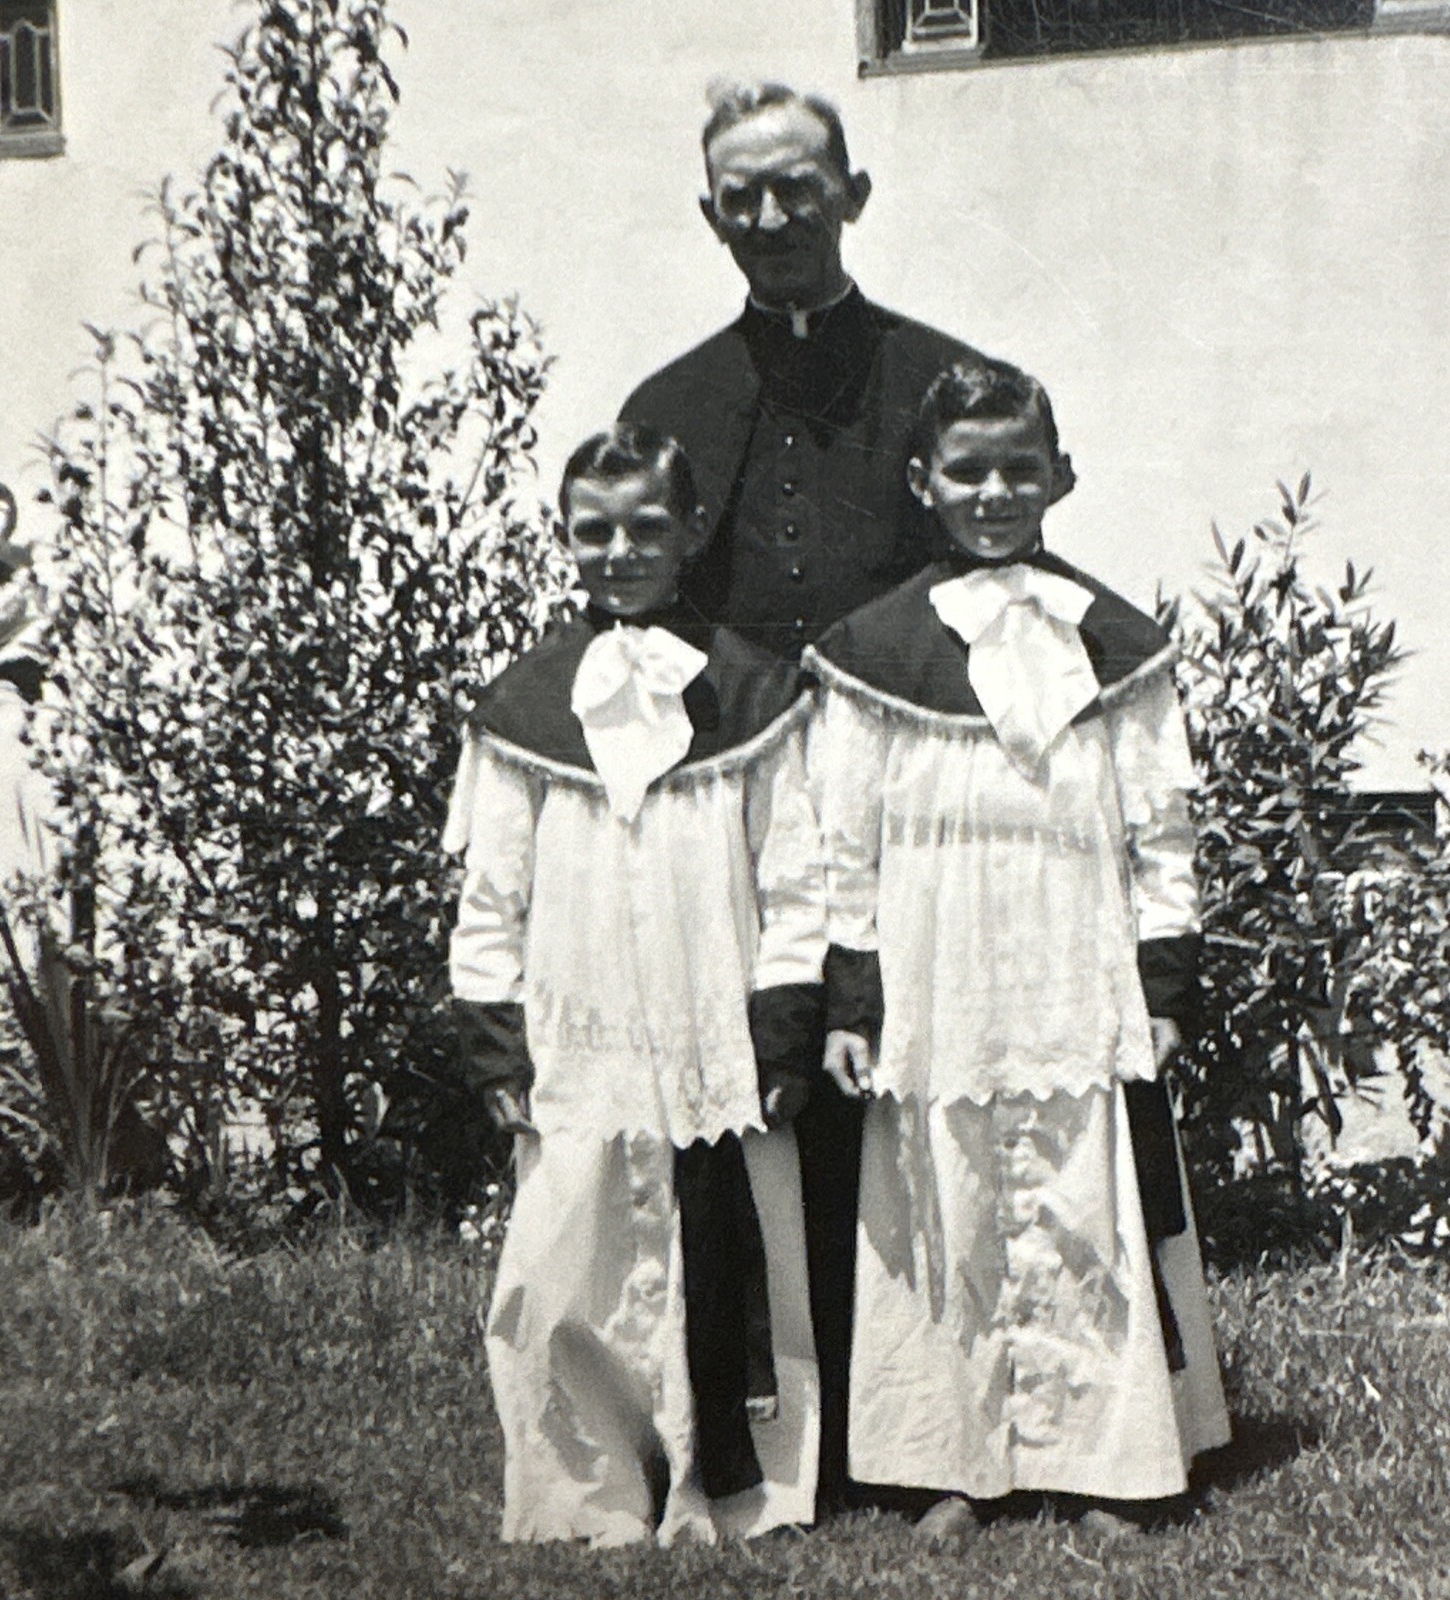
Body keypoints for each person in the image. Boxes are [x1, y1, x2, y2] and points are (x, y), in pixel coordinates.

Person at [620, 81, 1074, 1510]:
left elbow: (1005, 591)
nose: (771, 217)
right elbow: (638, 625)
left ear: (853, 196)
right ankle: (752, 1412)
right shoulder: (670, 405)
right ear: (710, 217)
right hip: (739, 796)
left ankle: (931, 1414)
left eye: (798, 188)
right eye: (741, 197)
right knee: (744, 1081)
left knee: (902, 1081)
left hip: (914, 794)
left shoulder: (938, 381)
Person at [804, 360, 1230, 1535]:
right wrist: (851, 1000)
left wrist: (1163, 984)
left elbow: (1160, 829)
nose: (993, 492)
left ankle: (1105, 1460)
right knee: (942, 1201)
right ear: (922, 482)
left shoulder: (1118, 645)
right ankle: (952, 1458)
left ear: (1060, 477)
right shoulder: (873, 652)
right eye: (967, 470)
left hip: (1070, 966)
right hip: (936, 974)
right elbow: (840, 845)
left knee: (1082, 1200)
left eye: (1018, 468)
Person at [443, 425, 826, 1545]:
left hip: (711, 1027)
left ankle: (731, 1483)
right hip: (584, 1028)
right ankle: (593, 1485)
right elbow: (491, 896)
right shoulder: (525, 707)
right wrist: (497, 1043)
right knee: (575, 1255)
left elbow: (794, 880)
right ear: (564, 538)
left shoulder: (755, 696)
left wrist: (781, 1028)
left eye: (646, 528)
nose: (620, 552)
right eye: (594, 531)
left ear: (692, 530)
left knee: (727, 1243)